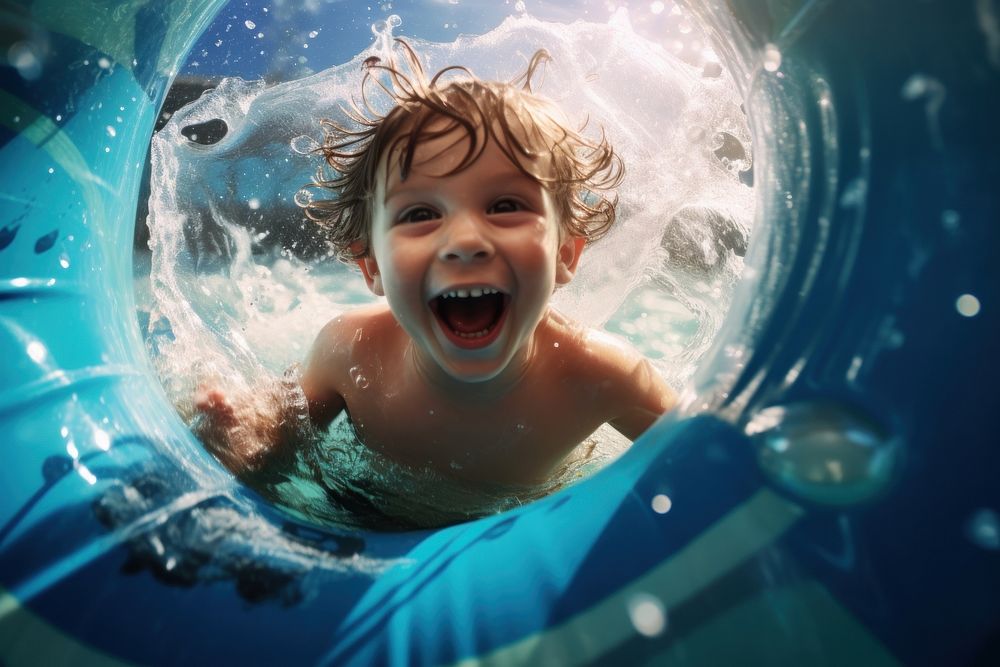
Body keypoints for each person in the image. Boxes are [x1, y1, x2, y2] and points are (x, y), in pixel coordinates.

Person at [195, 39, 676, 491]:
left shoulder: (603, 375)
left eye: (506, 206)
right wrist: (238, 434)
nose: (465, 240)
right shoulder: (350, 352)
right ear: (373, 268)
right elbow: (276, 443)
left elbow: (708, 456)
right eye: (420, 214)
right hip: (368, 511)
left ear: (565, 253)